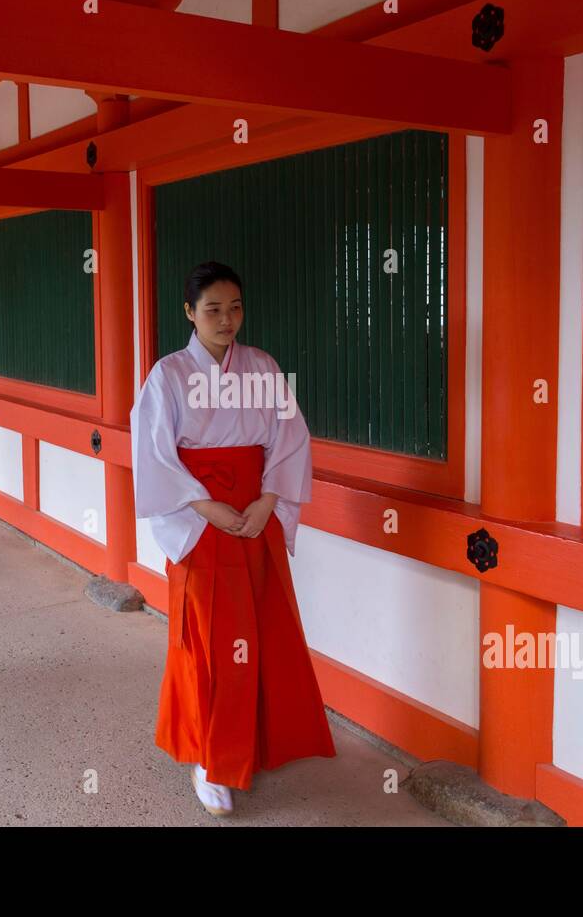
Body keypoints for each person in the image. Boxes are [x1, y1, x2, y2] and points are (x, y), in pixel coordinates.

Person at [129, 261, 334, 817]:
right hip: (200, 522)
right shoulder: (167, 376)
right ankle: (210, 759)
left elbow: (290, 441)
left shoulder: (263, 368)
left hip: (254, 518)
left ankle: (250, 748)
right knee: (211, 644)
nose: (226, 320)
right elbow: (153, 454)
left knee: (260, 636)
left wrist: (268, 500)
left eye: (235, 307)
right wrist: (204, 505)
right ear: (189, 313)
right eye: (213, 309)